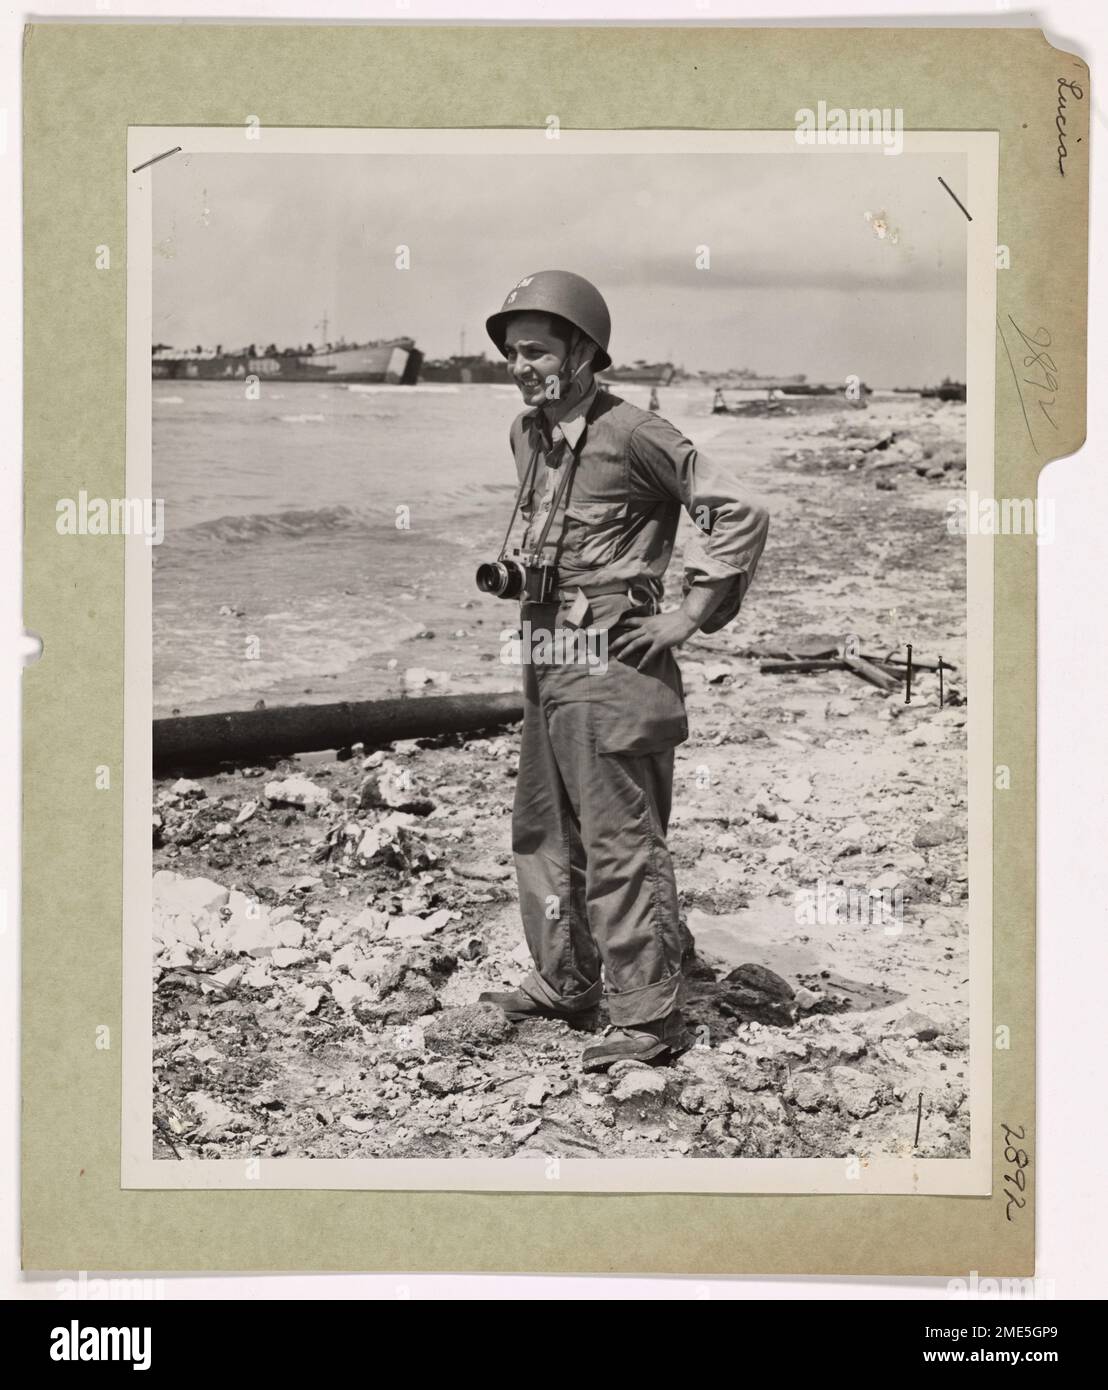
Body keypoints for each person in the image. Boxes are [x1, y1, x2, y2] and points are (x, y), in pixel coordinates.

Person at [476, 270, 770, 1072]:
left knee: (621, 840)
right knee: (542, 826)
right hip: (547, 651)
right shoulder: (526, 434)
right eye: (511, 353)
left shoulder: (639, 433)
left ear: (583, 352)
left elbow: (737, 507)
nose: (520, 366)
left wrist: (690, 611)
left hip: (613, 657)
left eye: (536, 351)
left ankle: (648, 1016)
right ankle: (566, 981)